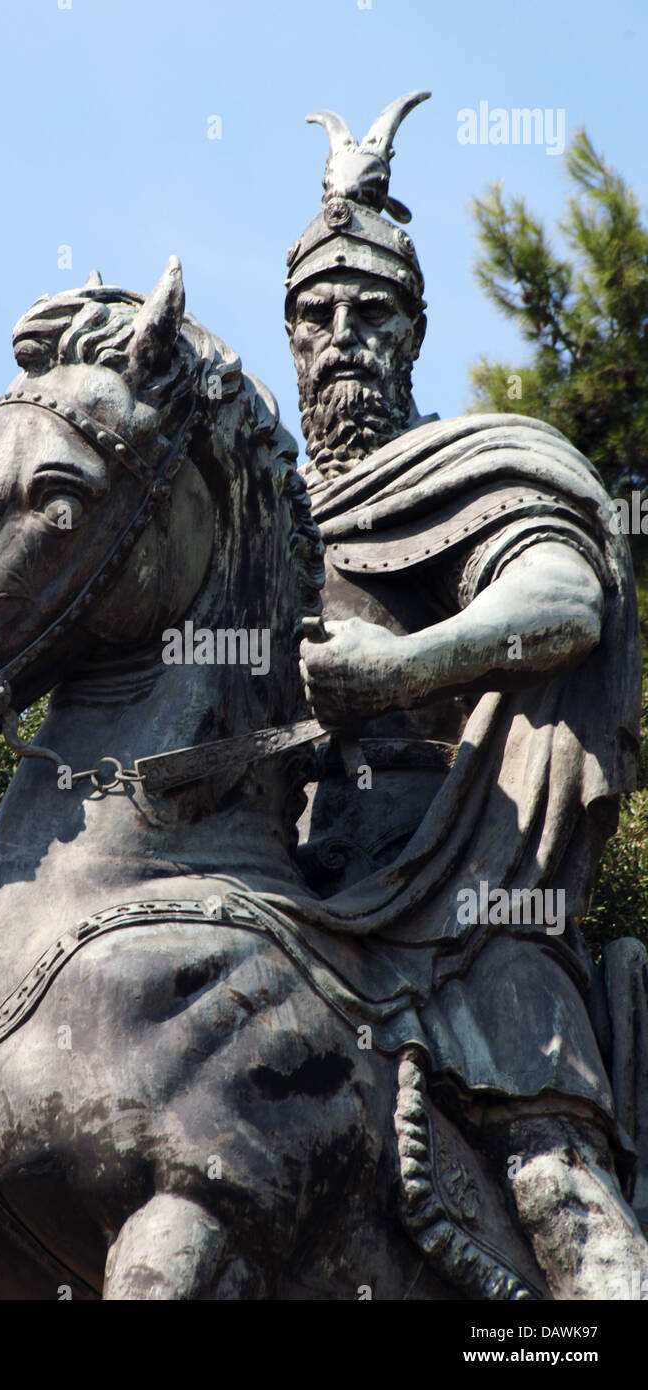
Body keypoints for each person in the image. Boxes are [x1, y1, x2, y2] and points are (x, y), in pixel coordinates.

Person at [287, 93, 648, 1298]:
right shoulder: (254, 513)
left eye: (370, 312)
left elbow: (561, 598)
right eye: (316, 314)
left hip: (457, 897)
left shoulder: (463, 473)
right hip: (276, 886)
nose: (341, 335)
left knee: (552, 1176)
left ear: (413, 332)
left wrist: (396, 668)